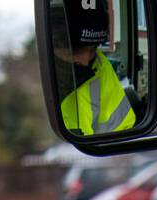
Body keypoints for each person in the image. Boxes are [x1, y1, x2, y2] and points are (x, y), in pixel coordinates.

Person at [57, 2, 136, 137]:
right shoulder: (33, 72)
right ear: (52, 42)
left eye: (93, 48)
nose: (85, 61)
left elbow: (122, 127)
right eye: (74, 50)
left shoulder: (100, 67)